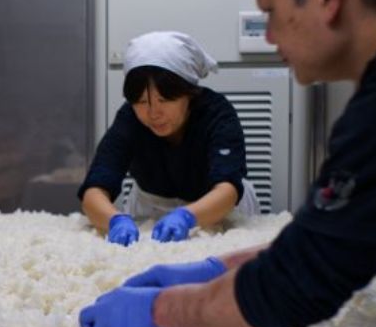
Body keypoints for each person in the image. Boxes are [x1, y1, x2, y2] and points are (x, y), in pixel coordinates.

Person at [79, 0, 376, 327]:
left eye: (270, 11)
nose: (270, 38)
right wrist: (215, 268)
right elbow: (331, 245)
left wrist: (160, 309)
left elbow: (298, 285)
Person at [80, 31, 256, 246]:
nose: (154, 113)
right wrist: (114, 220)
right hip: (149, 209)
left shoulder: (216, 113)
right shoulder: (129, 118)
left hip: (216, 210)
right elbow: (94, 190)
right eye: (142, 102)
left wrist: (187, 217)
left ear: (189, 93)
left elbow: (227, 189)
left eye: (164, 99)